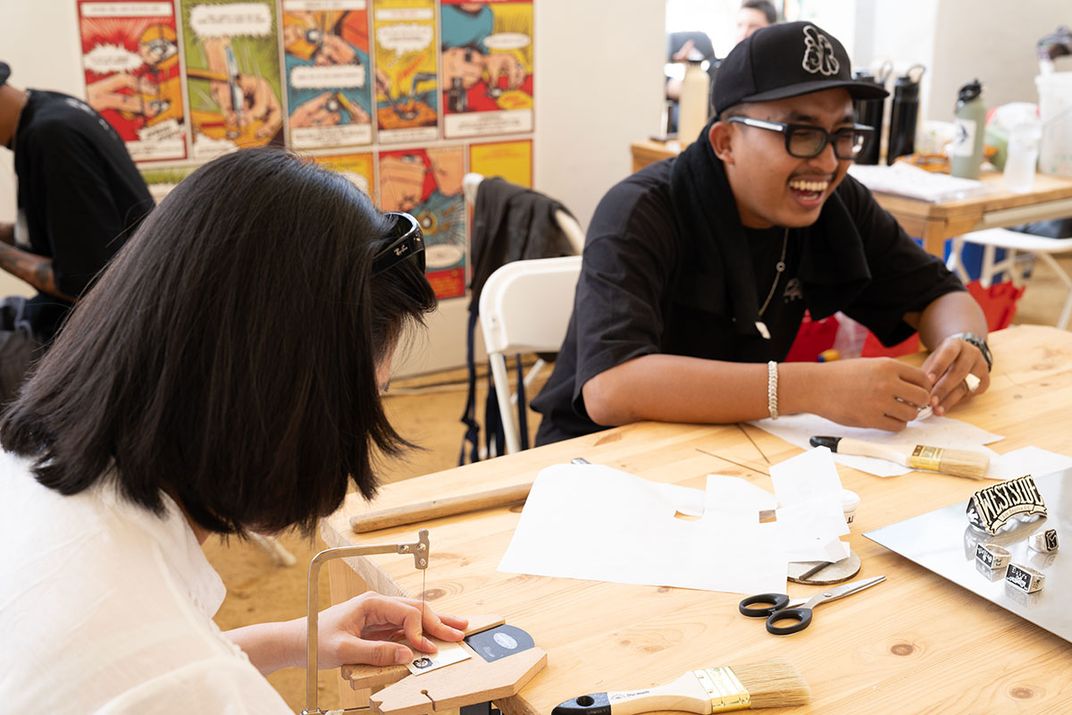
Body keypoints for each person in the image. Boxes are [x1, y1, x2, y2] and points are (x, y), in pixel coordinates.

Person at [0, 148, 465, 713]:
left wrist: (294, 639)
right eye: (371, 397)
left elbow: (129, 664)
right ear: (297, 399)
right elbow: (168, 681)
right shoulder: (200, 689)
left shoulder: (28, 471)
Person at [532, 21, 991, 446]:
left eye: (843, 134)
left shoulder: (835, 200)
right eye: (801, 133)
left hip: (733, 448)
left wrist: (964, 345)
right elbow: (610, 389)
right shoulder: (642, 209)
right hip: (598, 460)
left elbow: (938, 293)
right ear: (725, 142)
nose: (829, 162)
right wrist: (812, 387)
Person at [0, 61, 155, 401]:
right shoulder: (49, 112)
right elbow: (62, 232)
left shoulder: (52, 137)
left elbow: (84, 285)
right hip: (71, 321)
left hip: (105, 338)